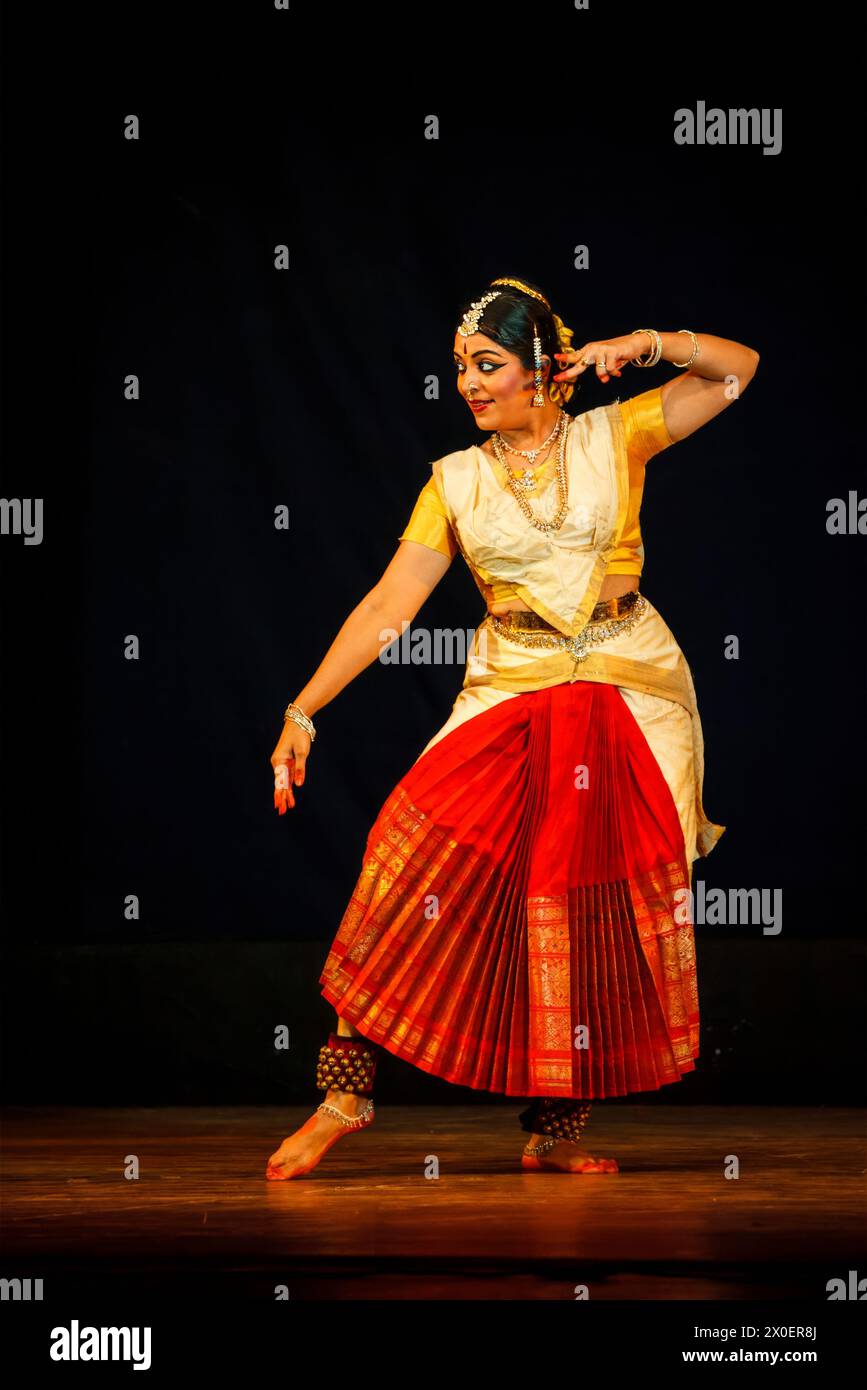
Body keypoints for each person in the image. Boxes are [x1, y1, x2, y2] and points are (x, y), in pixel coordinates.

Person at [265, 276, 759, 1179]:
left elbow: (738, 370)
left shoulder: (619, 433)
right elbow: (389, 603)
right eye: (459, 368)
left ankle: (553, 1129)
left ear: (543, 371)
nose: (467, 383)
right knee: (399, 858)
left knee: (576, 901)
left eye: (486, 365)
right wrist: (304, 709)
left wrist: (643, 343)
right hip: (511, 682)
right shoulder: (454, 482)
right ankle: (345, 1093)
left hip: (626, 682)